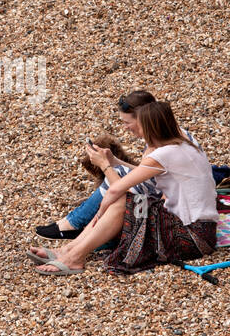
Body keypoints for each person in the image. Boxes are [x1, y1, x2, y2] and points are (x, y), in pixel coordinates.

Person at [29, 101, 217, 275]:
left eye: (140, 126)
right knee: (126, 200)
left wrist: (104, 166)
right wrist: (115, 162)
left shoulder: (165, 154)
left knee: (122, 201)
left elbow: (116, 189)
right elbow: (143, 173)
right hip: (200, 229)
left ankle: (74, 257)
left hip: (191, 237)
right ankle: (68, 250)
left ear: (150, 127)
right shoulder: (183, 143)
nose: (137, 132)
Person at [34, 90, 201, 240]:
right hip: (178, 198)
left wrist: (105, 165)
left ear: (143, 119)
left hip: (172, 213)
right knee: (119, 170)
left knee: (116, 180)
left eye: (127, 122)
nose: (125, 128)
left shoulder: (159, 148)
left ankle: (74, 226)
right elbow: (150, 173)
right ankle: (74, 224)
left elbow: (125, 194)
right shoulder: (174, 133)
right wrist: (114, 161)